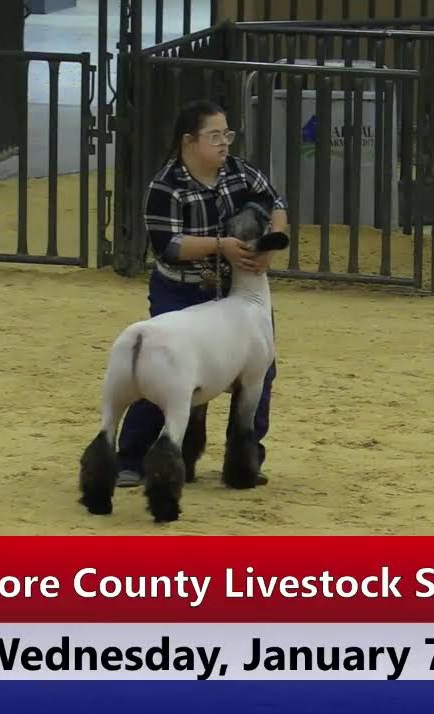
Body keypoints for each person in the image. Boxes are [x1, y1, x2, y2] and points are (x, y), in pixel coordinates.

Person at [114, 99, 288, 488]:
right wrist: (219, 245)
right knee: (165, 369)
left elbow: (276, 204)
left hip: (236, 295)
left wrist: (271, 246)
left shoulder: (239, 172)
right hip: (181, 291)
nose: (224, 143)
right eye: (214, 136)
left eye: (226, 134)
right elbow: (168, 245)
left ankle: (245, 460)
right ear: (188, 141)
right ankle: (132, 458)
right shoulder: (166, 186)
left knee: (260, 370)